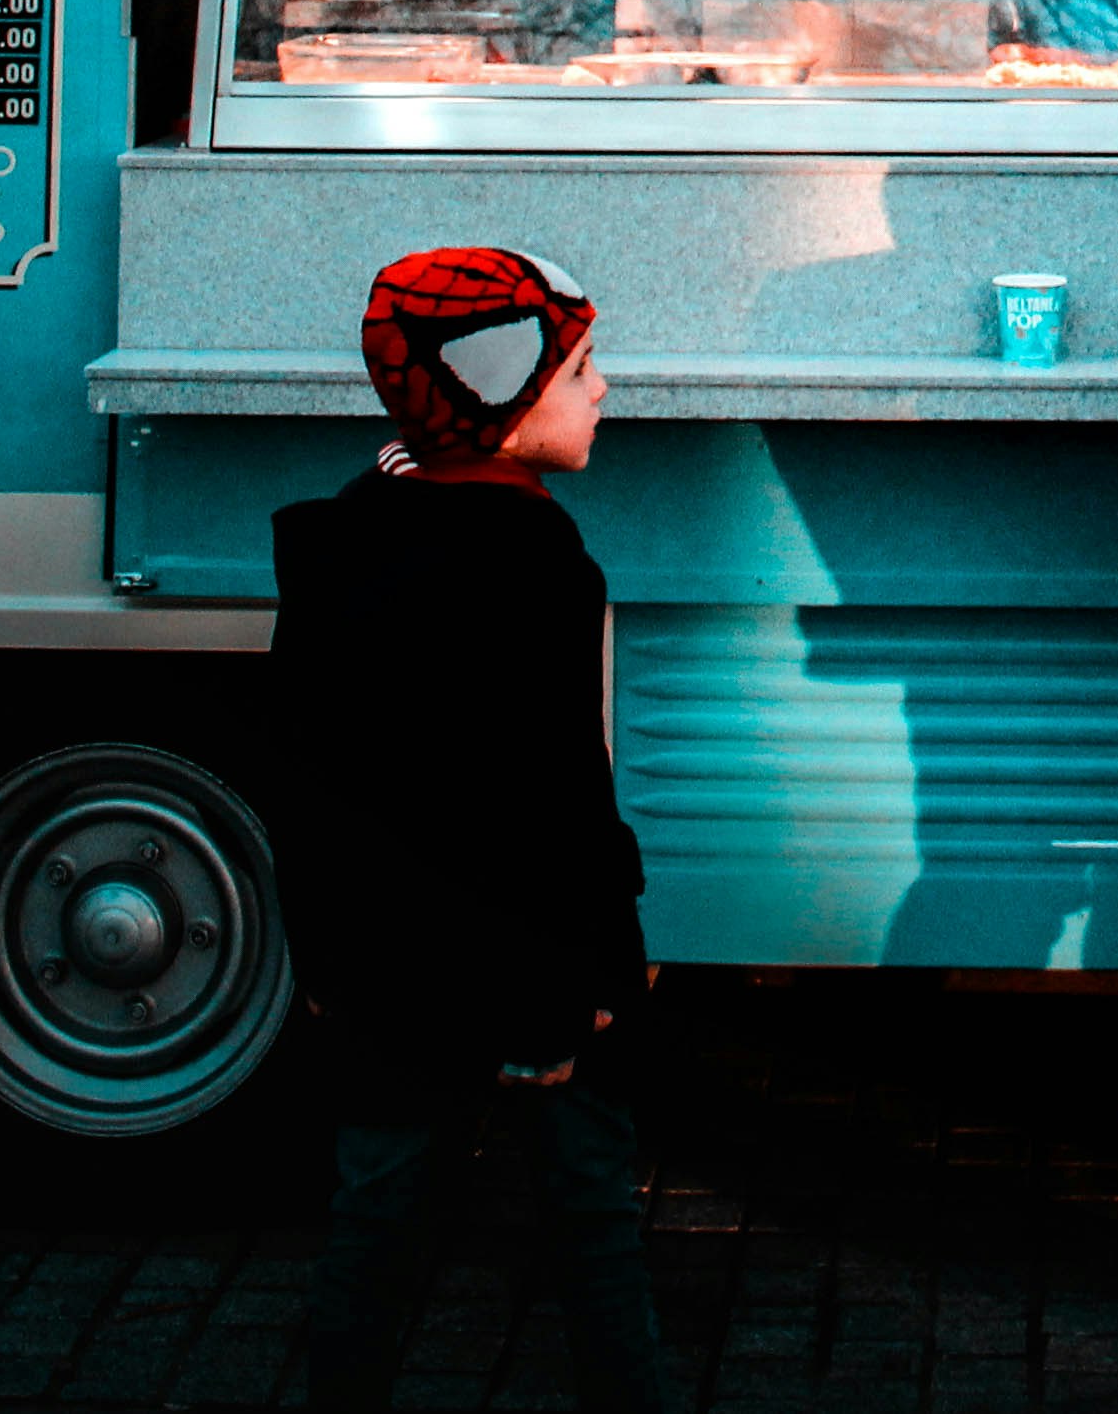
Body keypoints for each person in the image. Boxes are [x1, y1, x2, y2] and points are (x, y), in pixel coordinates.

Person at [271, 248, 667, 1414]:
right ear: (497, 396)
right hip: (532, 972)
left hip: (387, 972)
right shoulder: (537, 564)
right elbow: (554, 800)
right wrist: (582, 982)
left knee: (379, 1219)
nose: (602, 390)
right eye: (581, 366)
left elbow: (304, 771)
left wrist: (328, 960)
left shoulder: (353, 538)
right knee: (592, 1219)